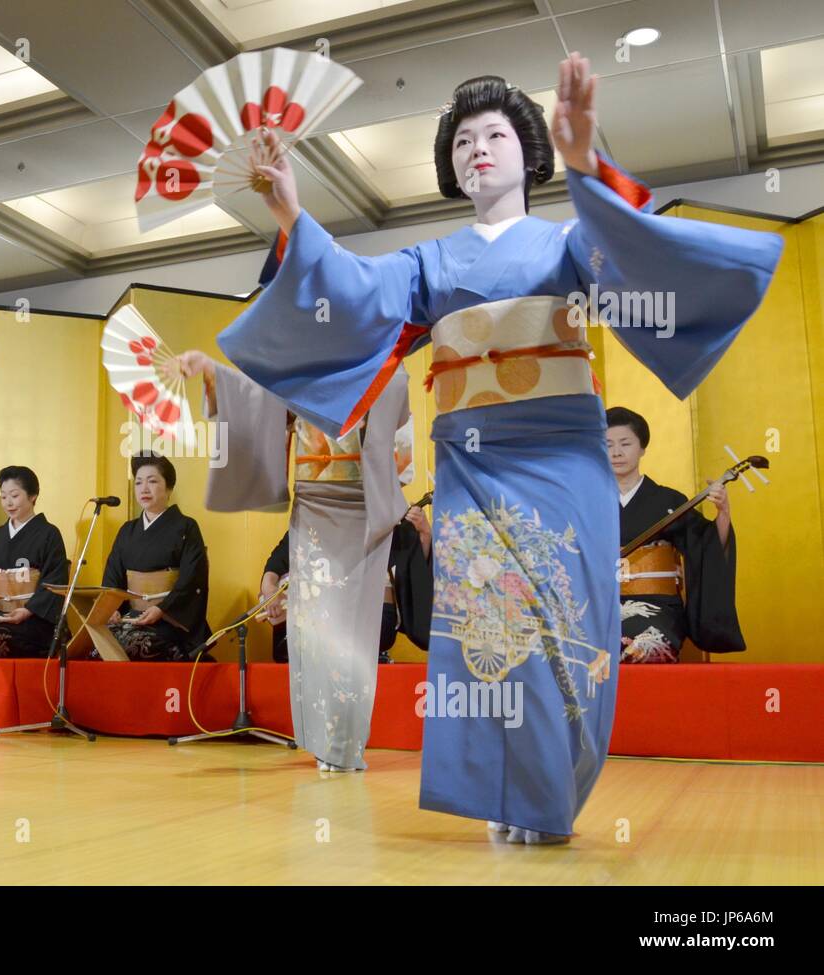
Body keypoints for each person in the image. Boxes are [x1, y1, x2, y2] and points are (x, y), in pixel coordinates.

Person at [215, 55, 782, 842]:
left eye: (495, 134)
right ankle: (505, 793)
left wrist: (587, 162)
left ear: (529, 153)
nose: (476, 149)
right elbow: (349, 290)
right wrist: (292, 219)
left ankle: (547, 795)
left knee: (565, 622)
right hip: (472, 464)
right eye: (462, 142)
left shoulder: (564, 244)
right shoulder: (430, 262)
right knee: (486, 631)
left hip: (560, 456)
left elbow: (626, 246)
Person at [182, 346, 427, 769]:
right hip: (314, 504)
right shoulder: (303, 363)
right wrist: (215, 378)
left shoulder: (386, 359)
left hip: (363, 506)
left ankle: (347, 742)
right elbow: (265, 407)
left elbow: (399, 446)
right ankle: (325, 739)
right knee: (315, 629)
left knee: (354, 631)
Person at [607, 406, 742, 663]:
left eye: (625, 443)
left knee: (640, 648)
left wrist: (723, 512)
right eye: (608, 445)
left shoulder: (668, 501)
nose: (616, 452)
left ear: (642, 448)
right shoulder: (587, 502)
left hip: (657, 606)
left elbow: (706, 546)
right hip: (600, 605)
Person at [260, 504, 433, 667]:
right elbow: (276, 564)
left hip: (373, 617)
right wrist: (269, 591)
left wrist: (424, 533)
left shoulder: (391, 526)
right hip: (323, 618)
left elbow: (414, 573)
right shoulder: (314, 523)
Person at [98, 453, 210, 661]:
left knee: (139, 646)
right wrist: (111, 609)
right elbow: (113, 576)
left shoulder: (186, 527)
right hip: (131, 617)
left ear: (169, 488)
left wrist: (161, 609)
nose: (144, 489)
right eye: (139, 482)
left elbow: (192, 579)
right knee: (96, 649)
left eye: (152, 481)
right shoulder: (127, 531)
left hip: (168, 619)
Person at [0, 466, 68, 658]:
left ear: (33, 495)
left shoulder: (49, 534)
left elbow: (55, 580)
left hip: (35, 621)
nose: (8, 503)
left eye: (14, 495)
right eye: (3, 496)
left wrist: (28, 610)